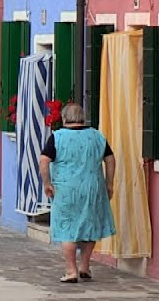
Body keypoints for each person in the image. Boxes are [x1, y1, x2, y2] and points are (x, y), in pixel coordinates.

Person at [38, 102, 117, 283]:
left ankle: (71, 270)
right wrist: (109, 183)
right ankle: (85, 267)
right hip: (92, 188)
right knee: (90, 226)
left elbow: (44, 161)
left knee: (68, 229)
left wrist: (47, 183)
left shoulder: (57, 137)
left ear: (65, 118)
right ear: (82, 118)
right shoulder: (97, 136)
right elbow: (110, 160)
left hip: (66, 189)